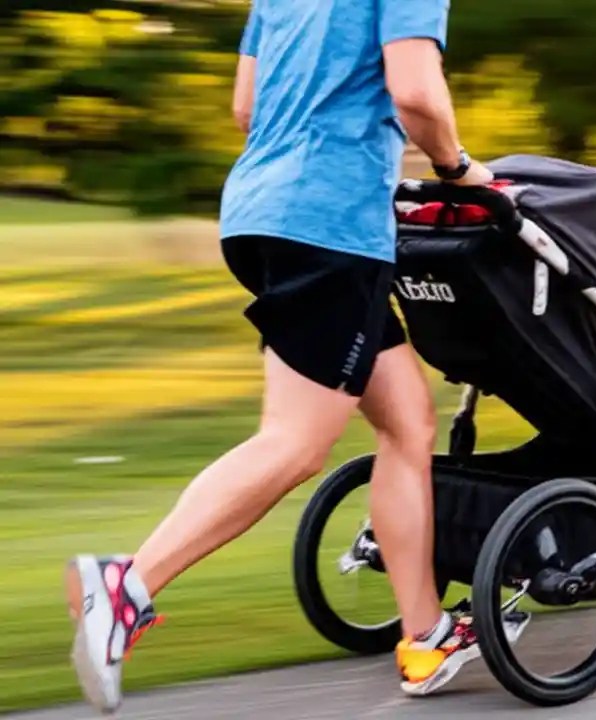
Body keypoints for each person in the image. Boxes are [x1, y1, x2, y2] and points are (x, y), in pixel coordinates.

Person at [63, 0, 514, 712]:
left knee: (408, 422)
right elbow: (417, 92)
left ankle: (425, 635)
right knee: (296, 443)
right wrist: (457, 168)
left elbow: (246, 105)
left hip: (258, 212)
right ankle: (127, 587)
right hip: (327, 226)